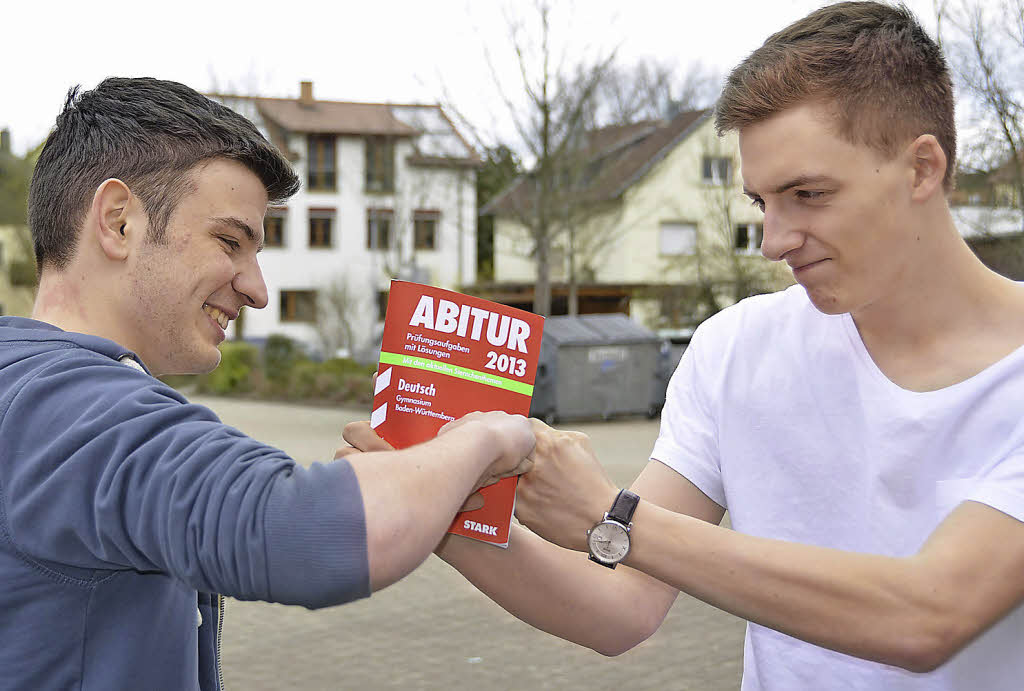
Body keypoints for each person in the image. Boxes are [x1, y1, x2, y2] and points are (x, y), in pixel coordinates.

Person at [344, 3, 1024, 689]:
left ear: (922, 168)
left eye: (808, 193)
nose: (774, 241)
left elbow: (927, 616)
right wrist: (437, 507)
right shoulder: (736, 348)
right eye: (761, 202)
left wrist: (613, 514)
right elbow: (620, 604)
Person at [0, 76, 534, 690]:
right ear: (119, 223)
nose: (257, 290)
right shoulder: (69, 408)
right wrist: (486, 438)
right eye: (230, 241)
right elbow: (305, 531)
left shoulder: (23, 383)